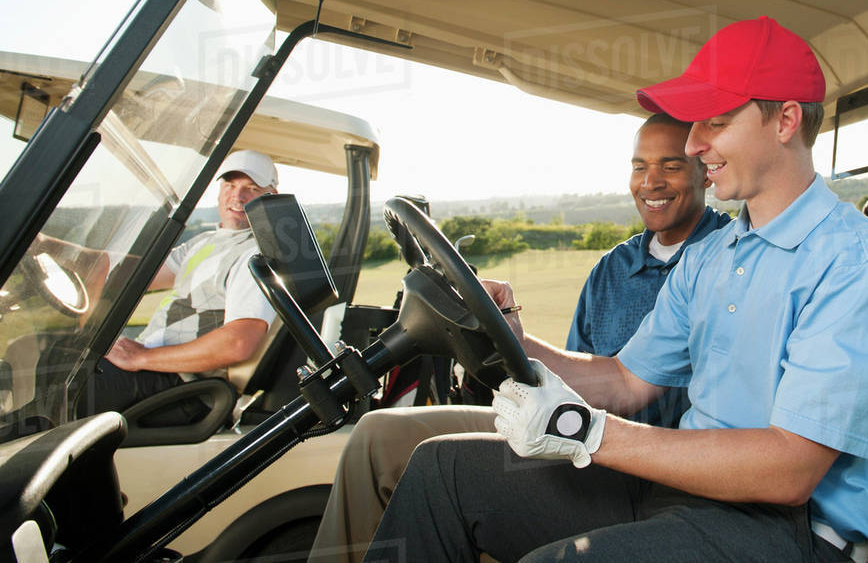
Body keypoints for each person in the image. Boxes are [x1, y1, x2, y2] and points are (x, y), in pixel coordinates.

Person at [363, 16, 868, 563]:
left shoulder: (859, 268)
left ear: (785, 121)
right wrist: (511, 335)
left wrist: (585, 432)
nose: (693, 144)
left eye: (714, 121)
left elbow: (789, 471)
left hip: (794, 533)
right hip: (683, 494)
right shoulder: (713, 257)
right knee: (441, 472)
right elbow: (625, 380)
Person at [307, 114, 731, 563]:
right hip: (573, 429)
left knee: (441, 468)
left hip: (642, 461)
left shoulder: (725, 259)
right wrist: (508, 335)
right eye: (639, 166)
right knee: (377, 434)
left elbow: (631, 390)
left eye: (671, 166)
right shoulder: (612, 267)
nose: (651, 182)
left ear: (705, 170)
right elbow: (589, 377)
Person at [75, 149, 280, 422]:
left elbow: (238, 342)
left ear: (272, 198)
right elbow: (131, 274)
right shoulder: (206, 241)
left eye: (251, 188)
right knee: (57, 359)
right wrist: (61, 251)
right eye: (230, 185)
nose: (237, 197)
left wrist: (142, 358)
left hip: (182, 387)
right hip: (155, 373)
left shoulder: (254, 255)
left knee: (70, 386)